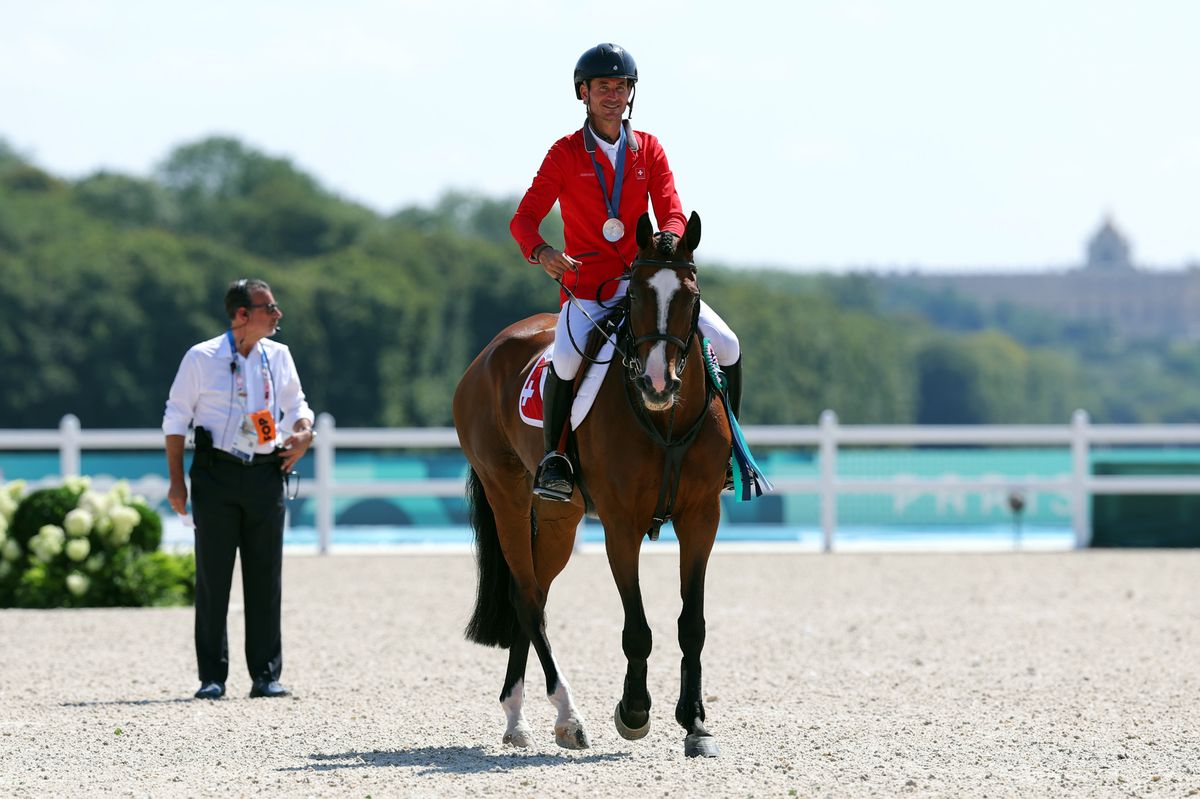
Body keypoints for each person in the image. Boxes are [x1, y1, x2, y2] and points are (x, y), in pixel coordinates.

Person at [510, 43, 742, 501]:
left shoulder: (649, 150)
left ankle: (731, 451)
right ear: (584, 93)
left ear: (630, 93)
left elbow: (673, 211)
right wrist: (541, 251)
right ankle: (556, 459)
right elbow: (523, 220)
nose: (612, 95)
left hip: (647, 285)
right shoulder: (564, 154)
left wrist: (669, 243)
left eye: (621, 87)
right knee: (567, 361)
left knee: (729, 344)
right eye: (603, 87)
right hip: (589, 287)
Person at [162, 278, 315, 700]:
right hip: (214, 473)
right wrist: (177, 482)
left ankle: (266, 676)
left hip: (267, 472)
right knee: (213, 576)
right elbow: (176, 418)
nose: (277, 314)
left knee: (266, 575)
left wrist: (304, 433)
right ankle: (212, 677)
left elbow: (297, 404)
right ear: (241, 315)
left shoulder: (277, 356)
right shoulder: (202, 357)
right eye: (269, 307)